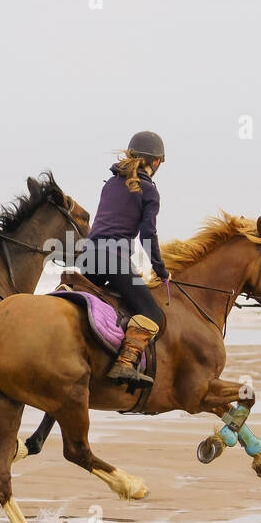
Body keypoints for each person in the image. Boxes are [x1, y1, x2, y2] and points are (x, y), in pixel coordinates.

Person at [81, 131, 170, 386]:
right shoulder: (149, 191)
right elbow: (147, 235)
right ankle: (124, 363)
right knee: (153, 314)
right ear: (155, 162)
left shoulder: (110, 184)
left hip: (87, 258)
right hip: (113, 260)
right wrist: (161, 271)